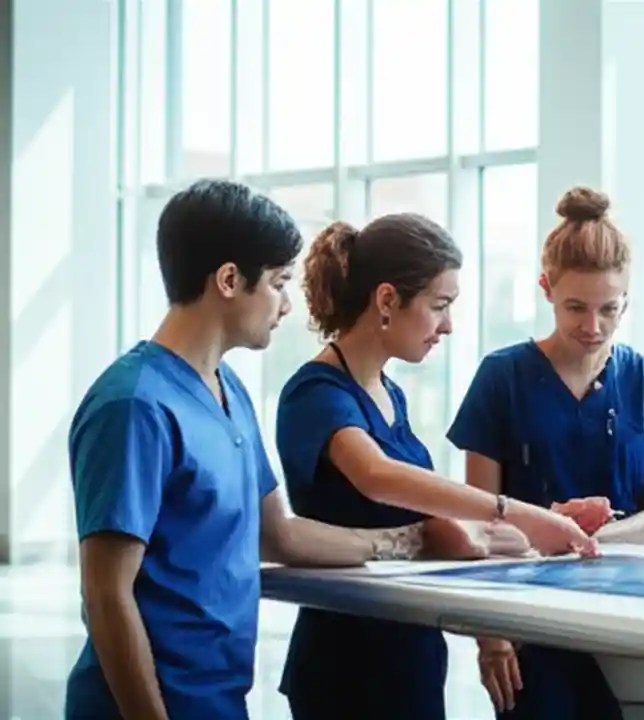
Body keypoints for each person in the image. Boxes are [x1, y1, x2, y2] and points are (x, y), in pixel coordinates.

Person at [65, 180, 520, 720]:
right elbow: (106, 594)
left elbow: (278, 534)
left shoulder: (229, 392)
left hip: (218, 697)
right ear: (229, 280)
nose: (286, 304)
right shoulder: (135, 404)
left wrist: (413, 540)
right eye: (278, 283)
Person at [273, 212, 600, 720]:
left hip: (411, 659)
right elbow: (378, 478)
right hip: (346, 669)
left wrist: (534, 527)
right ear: (387, 300)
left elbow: (434, 528)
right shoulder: (315, 394)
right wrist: (513, 512)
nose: (447, 325)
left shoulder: (391, 395)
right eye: (440, 305)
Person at [447, 186, 644, 719]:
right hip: (529, 624)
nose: (593, 327)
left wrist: (582, 540)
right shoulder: (502, 378)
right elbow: (479, 519)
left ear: (627, 297)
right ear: (546, 288)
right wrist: (490, 635)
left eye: (610, 309)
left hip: (632, 615)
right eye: (576, 308)